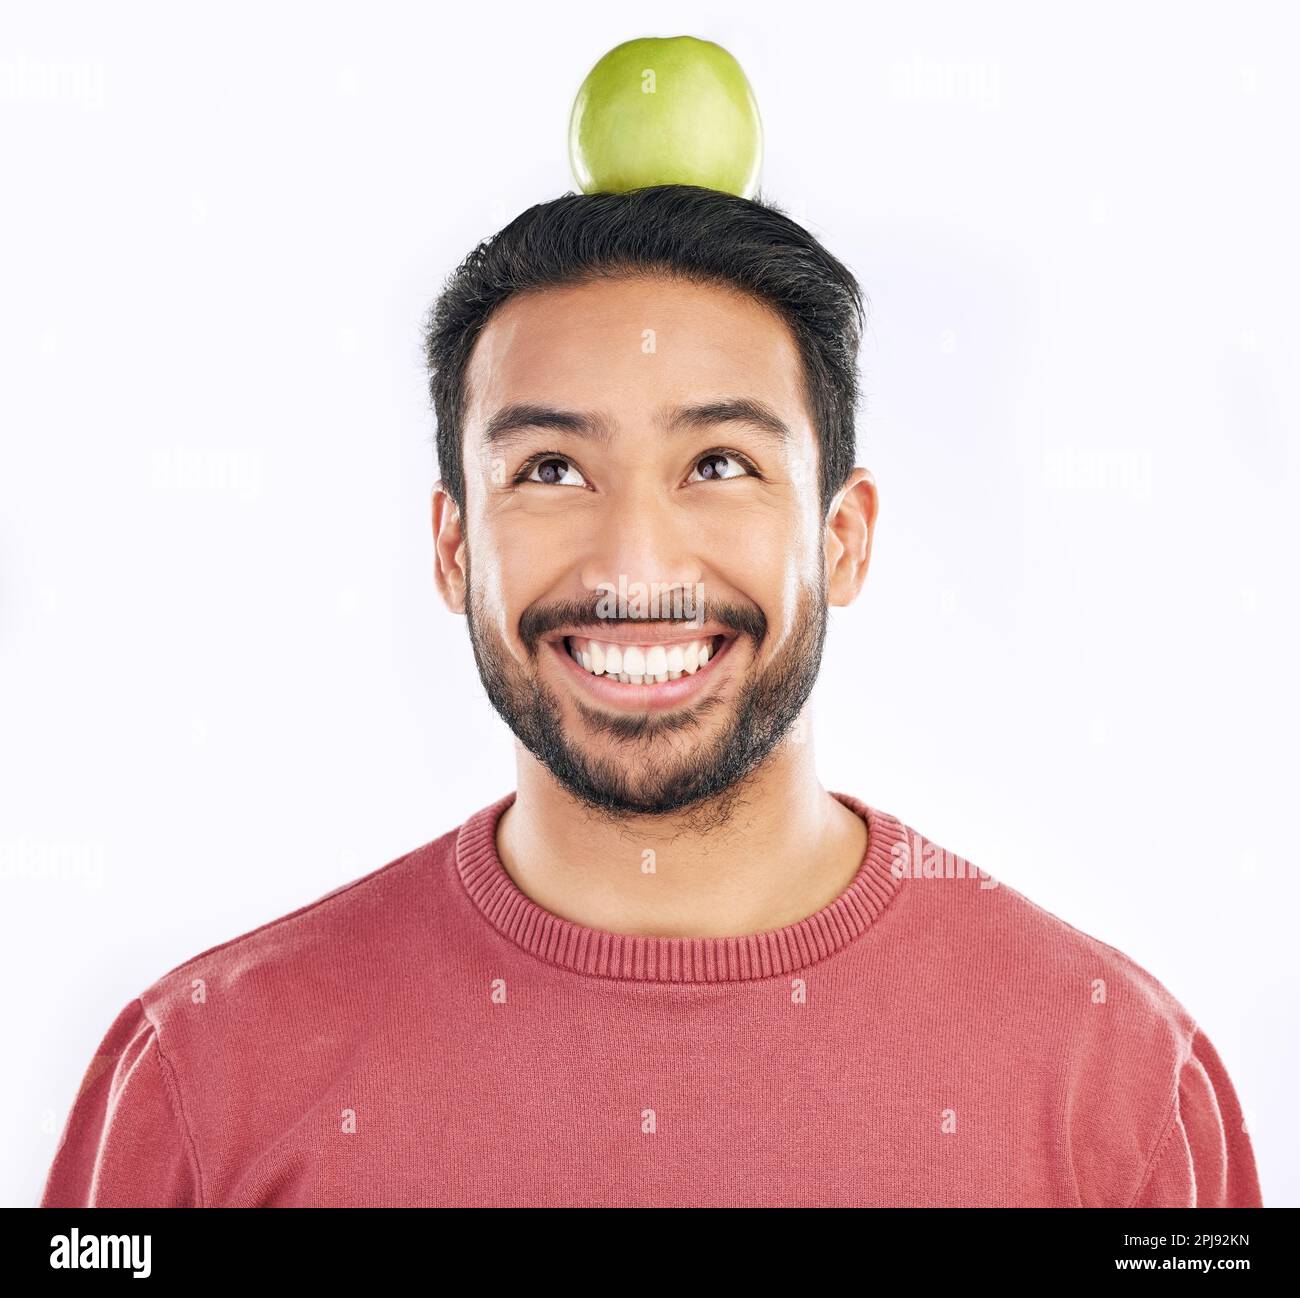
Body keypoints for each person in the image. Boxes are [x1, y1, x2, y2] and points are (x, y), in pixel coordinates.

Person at [42, 186, 1262, 1207]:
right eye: (551, 468)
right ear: (454, 548)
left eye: (719, 464)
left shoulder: (1119, 1087)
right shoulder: (201, 1075)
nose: (635, 567)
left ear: (842, 537)